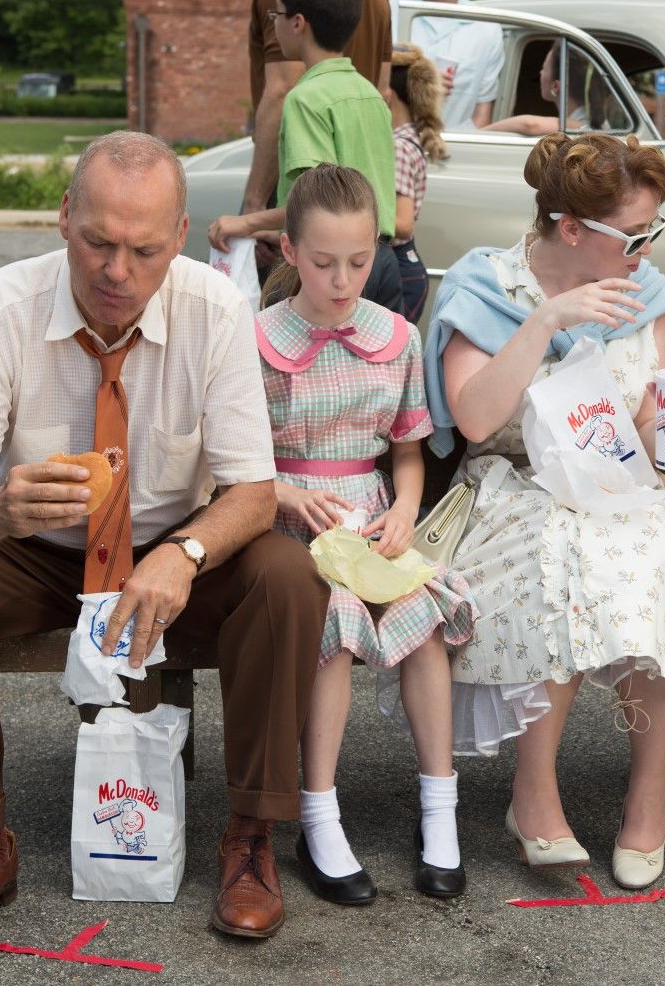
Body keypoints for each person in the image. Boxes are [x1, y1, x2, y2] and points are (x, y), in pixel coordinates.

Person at [0, 132, 328, 948]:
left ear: (179, 237)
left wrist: (185, 553)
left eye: (145, 250)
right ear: (63, 217)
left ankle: (251, 837)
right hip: (36, 547)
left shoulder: (216, 307)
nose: (117, 271)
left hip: (172, 545)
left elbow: (254, 492)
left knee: (287, 576)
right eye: (98, 243)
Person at [424, 132, 665, 890]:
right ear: (570, 228)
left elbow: (645, 428)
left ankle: (647, 797)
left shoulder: (644, 292)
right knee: (564, 561)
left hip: (621, 483)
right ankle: (533, 795)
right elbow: (474, 420)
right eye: (634, 234)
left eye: (655, 229)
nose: (647, 248)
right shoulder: (486, 286)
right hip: (515, 485)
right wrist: (546, 321)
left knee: (656, 560)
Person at [256, 163, 476, 904]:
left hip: (371, 516)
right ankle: (319, 814)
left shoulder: (397, 336)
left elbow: (407, 452)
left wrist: (407, 508)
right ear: (290, 251)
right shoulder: (258, 340)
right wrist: (287, 492)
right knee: (337, 623)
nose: (343, 280)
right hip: (288, 522)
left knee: (423, 618)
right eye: (323, 263)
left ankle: (439, 807)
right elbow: (232, 461)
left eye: (358, 261)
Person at [208, 0, 401, 314]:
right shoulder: (370, 94)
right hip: (379, 260)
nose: (273, 22)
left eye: (276, 14)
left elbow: (312, 204)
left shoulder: (305, 99)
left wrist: (244, 223)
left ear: (297, 23)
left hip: (332, 269)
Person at [236, 0, 390, 272]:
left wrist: (252, 211)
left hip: (311, 231)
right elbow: (381, 91)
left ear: (297, 23)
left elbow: (283, 88)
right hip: (371, 242)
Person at [388, 0, 504, 130]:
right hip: (393, 142)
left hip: (455, 148)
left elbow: (482, 114)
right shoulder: (388, 10)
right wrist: (418, 82)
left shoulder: (486, 28)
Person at [388, 42, 446, 322]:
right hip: (407, 267)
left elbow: (403, 223)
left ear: (388, 95)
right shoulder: (409, 138)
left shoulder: (398, 146)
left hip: (399, 270)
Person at [483, 41, 592, 137]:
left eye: (543, 68)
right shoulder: (586, 116)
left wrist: (480, 133)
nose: (540, 73)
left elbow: (530, 125)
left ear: (555, 86)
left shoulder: (584, 123)